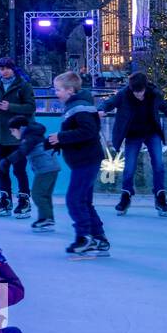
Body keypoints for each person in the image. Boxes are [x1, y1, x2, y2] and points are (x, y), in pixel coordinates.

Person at [99, 71, 167, 216]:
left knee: (158, 164)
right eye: (136, 92)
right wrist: (101, 110)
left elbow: (163, 105)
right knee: (129, 167)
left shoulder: (153, 93)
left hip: (151, 132)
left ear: (145, 87)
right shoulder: (124, 94)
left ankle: (160, 197)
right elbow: (110, 102)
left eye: (141, 92)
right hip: (133, 135)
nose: (139, 95)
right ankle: (126, 196)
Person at [48, 71, 108, 256]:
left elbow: (88, 131)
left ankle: (84, 238)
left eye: (58, 89)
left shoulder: (79, 107)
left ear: (70, 90)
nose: (56, 93)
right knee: (84, 201)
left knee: (74, 199)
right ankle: (99, 238)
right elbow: (79, 133)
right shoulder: (77, 105)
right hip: (86, 159)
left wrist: (62, 137)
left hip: (86, 160)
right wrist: (58, 141)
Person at [0, 57, 36, 218]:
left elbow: (31, 107)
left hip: (17, 136)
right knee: (1, 169)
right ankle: (5, 199)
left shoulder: (23, 85)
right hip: (0, 135)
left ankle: (24, 199)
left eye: (7, 68)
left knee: (19, 169)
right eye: (1, 69)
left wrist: (10, 106)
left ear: (13, 69)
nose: (4, 71)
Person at [6, 115, 61, 232]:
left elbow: (22, 151)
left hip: (45, 169)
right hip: (51, 167)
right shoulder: (33, 134)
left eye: (12, 131)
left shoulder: (29, 137)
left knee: (37, 194)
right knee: (44, 195)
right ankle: (46, 219)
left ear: (20, 128)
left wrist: (7, 161)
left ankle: (46, 219)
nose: (12, 134)